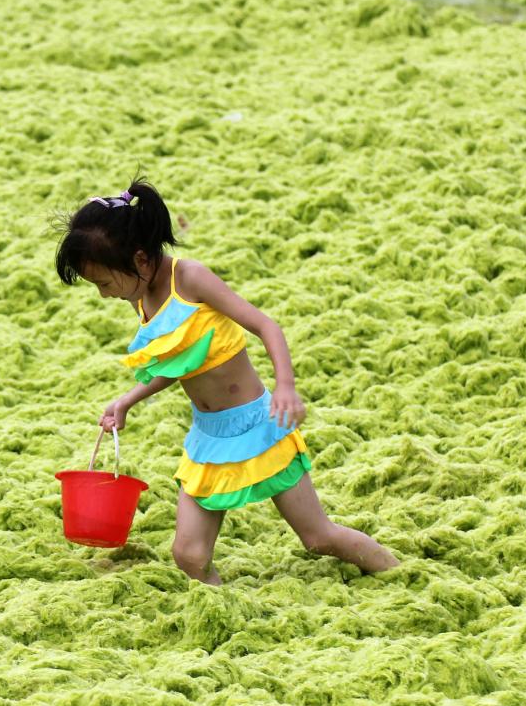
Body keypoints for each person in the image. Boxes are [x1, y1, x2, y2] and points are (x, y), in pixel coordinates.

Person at [56, 180, 401, 585]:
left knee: (318, 537)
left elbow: (265, 326)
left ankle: (397, 571)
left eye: (104, 283)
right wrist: (128, 400)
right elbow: (183, 362)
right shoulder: (142, 296)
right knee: (189, 555)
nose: (102, 295)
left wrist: (286, 386)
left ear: (141, 260)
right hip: (209, 437)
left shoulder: (191, 279)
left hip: (260, 426)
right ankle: (231, 619)